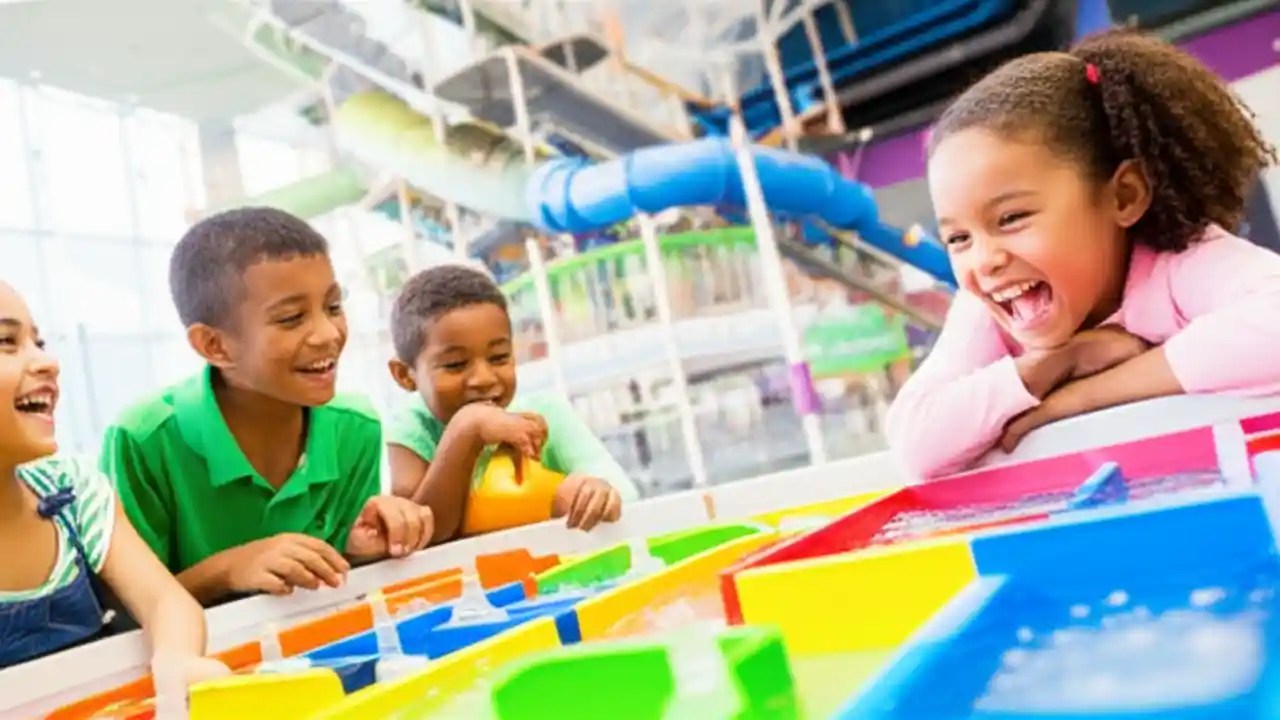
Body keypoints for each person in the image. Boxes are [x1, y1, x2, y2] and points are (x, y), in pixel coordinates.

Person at [886, 28, 1280, 480]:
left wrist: (1081, 394)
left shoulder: (1178, 261)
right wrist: (1053, 363)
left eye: (1011, 218)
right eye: (959, 239)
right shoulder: (985, 307)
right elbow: (915, 443)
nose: (984, 260)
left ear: (1124, 197)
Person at [100, 208, 433, 606]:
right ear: (214, 346)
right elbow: (124, 613)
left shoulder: (355, 426)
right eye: (292, 318)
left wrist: (361, 546)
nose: (328, 334)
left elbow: (344, 590)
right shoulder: (142, 439)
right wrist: (230, 569)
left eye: (333, 307)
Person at [0, 281, 228, 685]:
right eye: (6, 342)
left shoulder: (71, 489)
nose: (47, 362)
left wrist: (177, 660)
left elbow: (164, 602)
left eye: (39, 341)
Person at [384, 264, 639, 543]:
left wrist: (594, 494)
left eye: (498, 357)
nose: (483, 378)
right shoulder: (411, 430)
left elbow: (626, 498)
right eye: (455, 364)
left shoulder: (545, 414)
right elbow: (418, 535)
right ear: (405, 375)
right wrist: (466, 430)